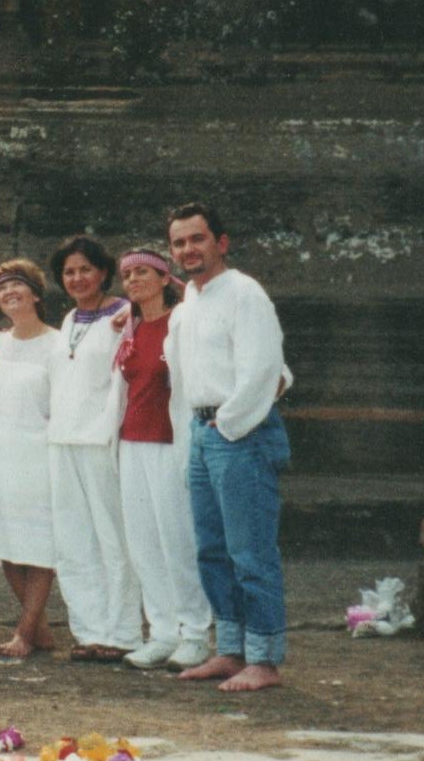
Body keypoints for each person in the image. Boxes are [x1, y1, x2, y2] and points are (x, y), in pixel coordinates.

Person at [165, 202, 292, 692]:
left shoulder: (245, 293)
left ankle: (264, 659)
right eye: (178, 242)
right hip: (201, 434)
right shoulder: (190, 302)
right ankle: (231, 650)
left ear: (221, 242)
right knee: (212, 550)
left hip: (240, 433)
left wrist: (229, 426)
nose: (187, 249)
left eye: (197, 239)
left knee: (250, 550)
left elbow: (266, 370)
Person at [113, 246, 213, 671]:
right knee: (143, 543)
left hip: (171, 443)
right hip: (130, 443)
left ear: (162, 278)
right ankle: (161, 633)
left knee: (178, 541)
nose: (134, 281)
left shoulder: (182, 321)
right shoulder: (127, 327)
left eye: (143, 273)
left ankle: (194, 634)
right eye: (128, 275)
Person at [47, 234, 142, 663]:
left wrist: (132, 309)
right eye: (69, 272)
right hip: (63, 440)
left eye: (86, 269)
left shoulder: (125, 314)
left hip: (102, 440)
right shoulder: (68, 319)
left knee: (113, 538)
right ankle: (88, 631)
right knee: (73, 540)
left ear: (103, 272)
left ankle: (122, 633)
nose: (78, 278)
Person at [0, 259, 60, 659]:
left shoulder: (58, 343)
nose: (10, 292)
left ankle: (24, 632)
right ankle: (38, 628)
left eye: (18, 285)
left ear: (36, 293)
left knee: (38, 547)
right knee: (5, 544)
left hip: (36, 454)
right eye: (2, 288)